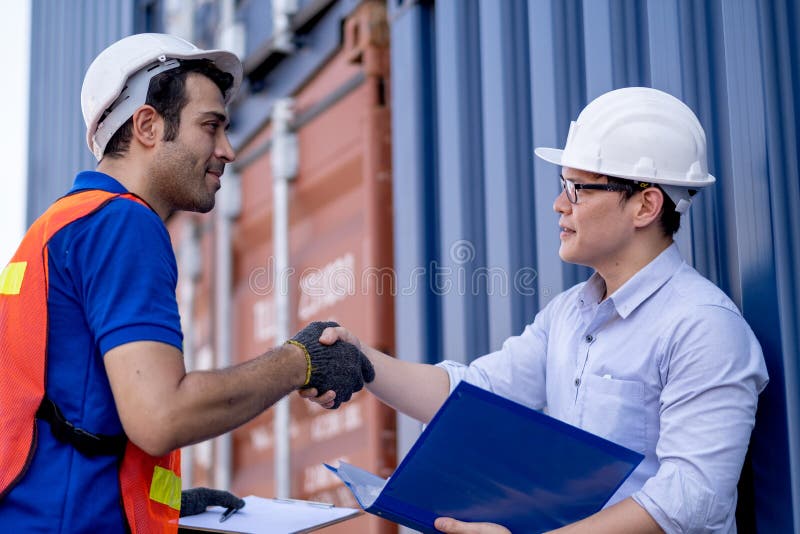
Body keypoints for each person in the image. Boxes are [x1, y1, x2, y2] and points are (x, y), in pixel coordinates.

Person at [297, 87, 769, 533]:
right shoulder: (569, 315)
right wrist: (362, 360)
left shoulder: (704, 328)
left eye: (579, 188)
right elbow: (475, 397)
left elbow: (690, 498)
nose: (559, 204)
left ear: (645, 205)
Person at [0, 34, 372, 532]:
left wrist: (159, 503)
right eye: (211, 126)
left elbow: (71, 412)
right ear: (149, 125)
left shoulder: (61, 226)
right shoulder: (122, 224)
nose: (228, 150)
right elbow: (161, 416)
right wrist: (300, 361)